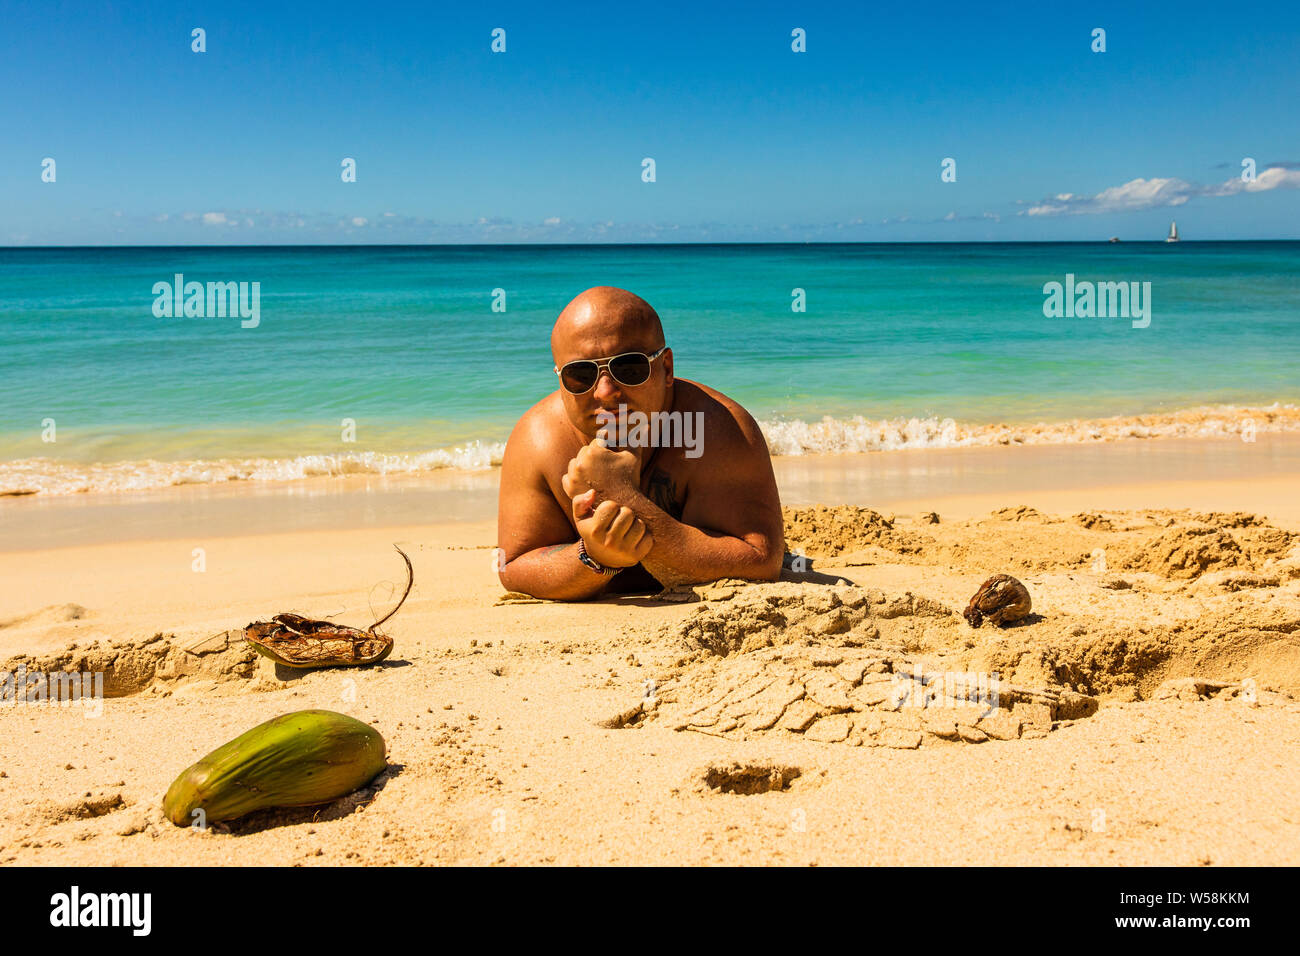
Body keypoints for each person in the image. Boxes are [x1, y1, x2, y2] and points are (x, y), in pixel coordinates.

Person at [496, 286, 784, 600]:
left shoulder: (718, 427)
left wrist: (623, 500)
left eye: (629, 368)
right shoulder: (537, 440)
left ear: (667, 368)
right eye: (580, 375)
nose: (605, 392)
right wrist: (596, 557)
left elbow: (762, 560)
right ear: (560, 380)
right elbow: (512, 566)